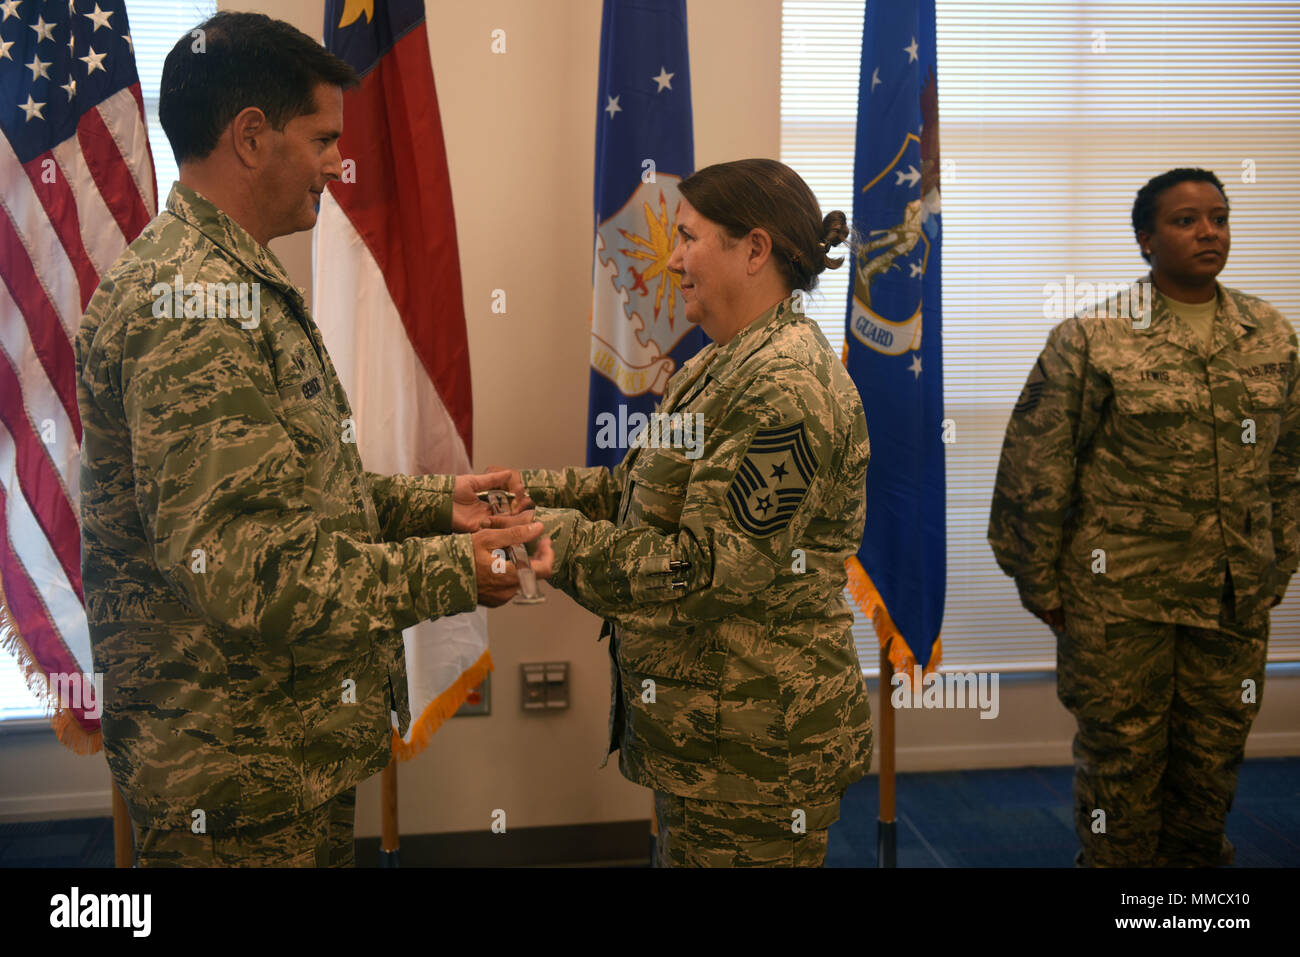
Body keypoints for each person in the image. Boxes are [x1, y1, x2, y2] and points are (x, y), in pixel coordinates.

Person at [75, 12, 550, 868]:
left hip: (280, 752)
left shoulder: (232, 280)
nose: (338, 163)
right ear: (251, 138)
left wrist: (440, 502)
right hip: (234, 781)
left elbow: (297, 495)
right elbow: (250, 568)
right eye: (323, 138)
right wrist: (459, 570)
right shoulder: (192, 307)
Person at [493, 159, 873, 867]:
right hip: (708, 740)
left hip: (756, 757)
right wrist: (514, 495)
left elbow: (704, 570)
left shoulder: (786, 386)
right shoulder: (721, 364)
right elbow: (631, 494)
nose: (671, 262)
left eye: (689, 238)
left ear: (753, 250)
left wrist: (553, 540)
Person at [988, 168, 1300, 867]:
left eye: (1218, 217)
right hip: (1122, 602)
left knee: (1211, 763)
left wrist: (1276, 563)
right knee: (1120, 769)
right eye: (1187, 219)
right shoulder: (1093, 338)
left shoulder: (1270, 333)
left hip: (1231, 599)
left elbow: (1289, 465)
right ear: (1145, 240)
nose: (1209, 231)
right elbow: (1035, 470)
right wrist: (1043, 588)